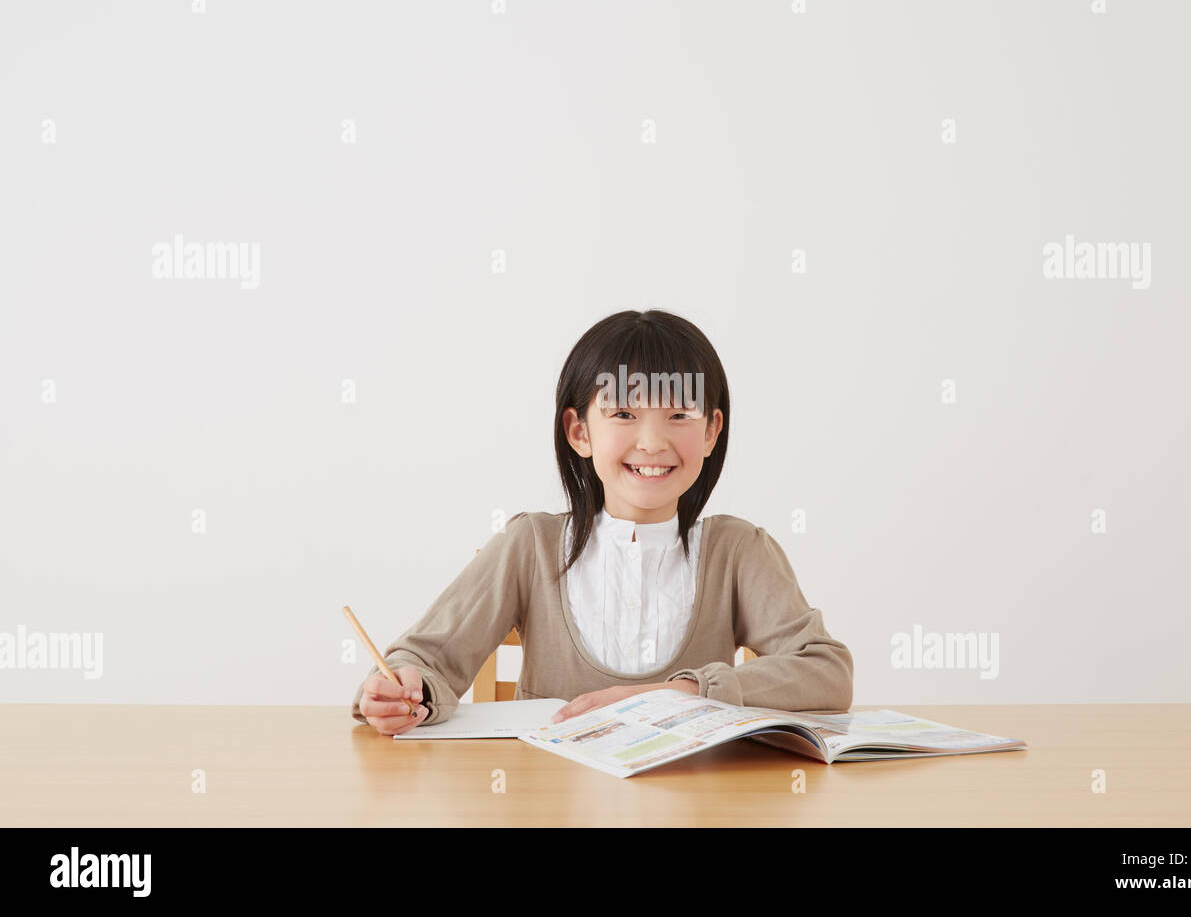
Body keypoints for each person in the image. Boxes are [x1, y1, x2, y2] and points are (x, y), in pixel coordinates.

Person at [352, 308, 854, 734]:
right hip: (550, 806)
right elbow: (423, 659)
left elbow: (826, 672)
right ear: (579, 431)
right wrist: (399, 687)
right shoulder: (531, 545)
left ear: (711, 431)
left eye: (679, 415)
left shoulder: (738, 550)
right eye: (623, 414)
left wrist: (682, 692)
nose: (653, 442)